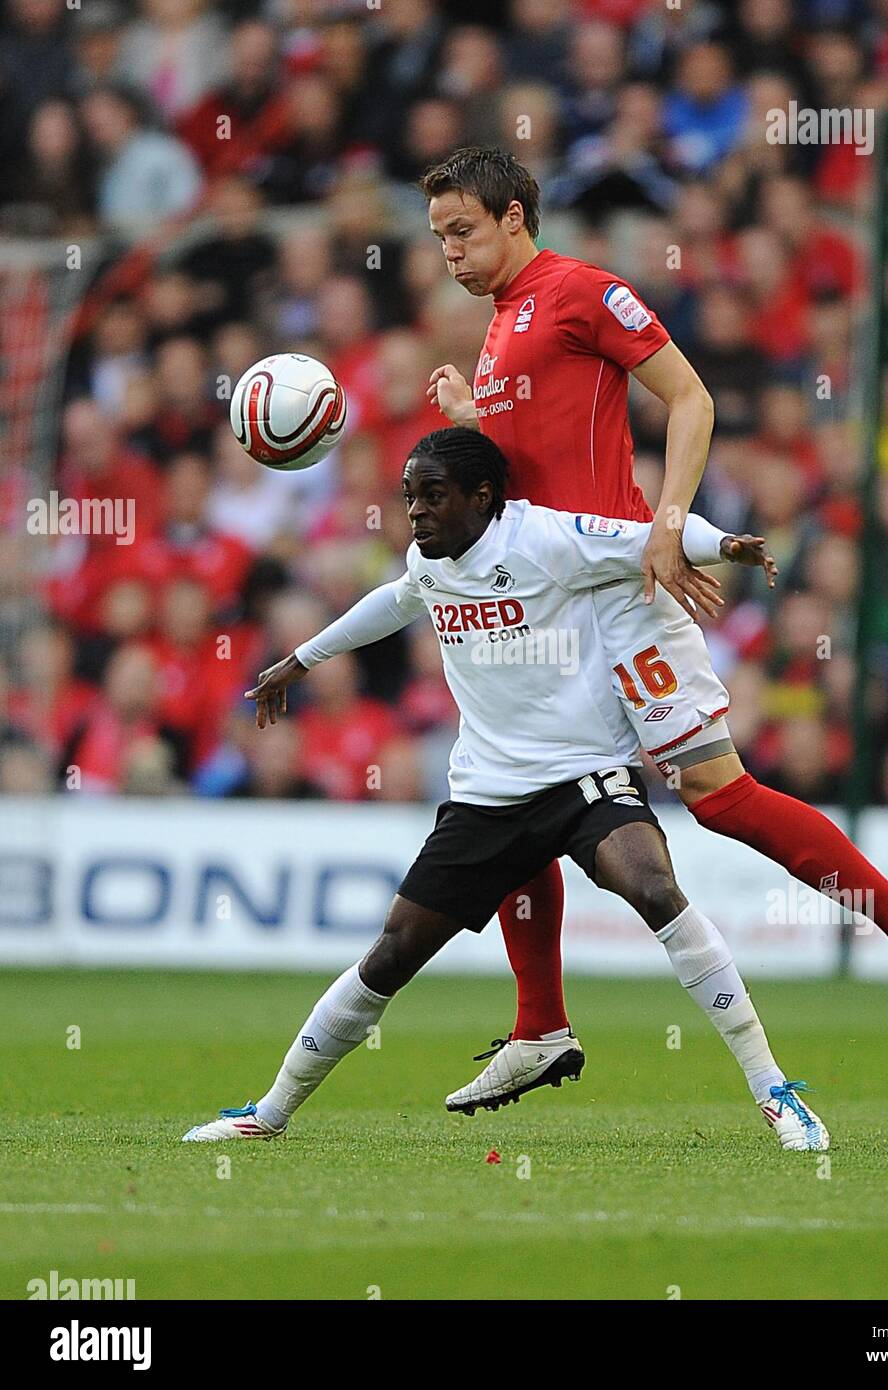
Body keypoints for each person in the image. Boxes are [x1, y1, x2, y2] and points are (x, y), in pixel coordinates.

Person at [419, 147, 888, 1113]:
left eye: (463, 231)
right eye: (438, 239)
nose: (450, 254)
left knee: (716, 793)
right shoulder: (498, 330)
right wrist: (473, 419)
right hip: (549, 610)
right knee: (513, 809)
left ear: (514, 217)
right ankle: (539, 1026)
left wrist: (669, 521)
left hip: (623, 591)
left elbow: (690, 397)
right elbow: (530, 483)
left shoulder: (584, 292)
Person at [182, 427, 829, 1152]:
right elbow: (395, 601)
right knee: (391, 955)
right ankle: (267, 1112)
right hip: (486, 797)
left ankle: (773, 1092)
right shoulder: (428, 564)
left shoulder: (546, 539)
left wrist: (724, 545)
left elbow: (644, 536)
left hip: (584, 775)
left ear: (481, 497)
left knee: (654, 891)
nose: (417, 513)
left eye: (433, 497)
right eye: (409, 499)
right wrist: (299, 660)